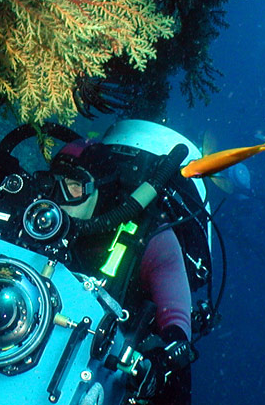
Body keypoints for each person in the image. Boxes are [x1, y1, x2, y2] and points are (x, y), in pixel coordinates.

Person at [48, 131, 195, 404]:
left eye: (73, 186)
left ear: (102, 188)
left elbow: (177, 324)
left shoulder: (151, 238)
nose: (57, 198)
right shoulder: (39, 218)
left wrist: (158, 366)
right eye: (50, 183)